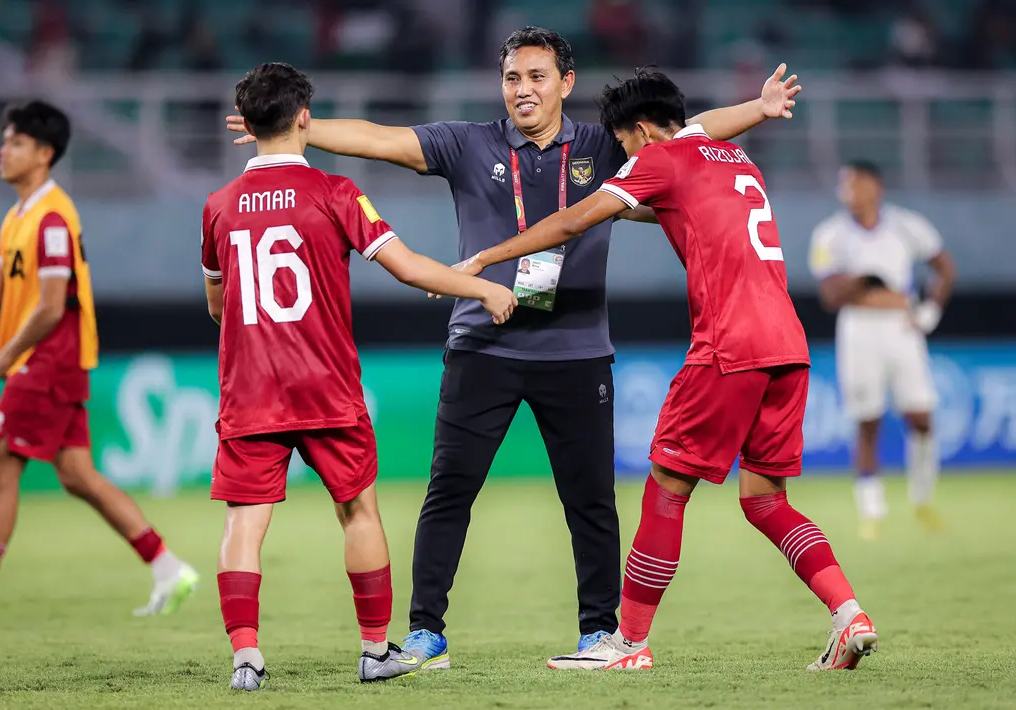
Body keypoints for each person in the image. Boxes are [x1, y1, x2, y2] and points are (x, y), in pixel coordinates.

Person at [225, 27, 802, 667]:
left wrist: (759, 107)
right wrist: (287, 132)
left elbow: (686, 133)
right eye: (512, 79)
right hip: (483, 346)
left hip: (577, 349)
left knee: (590, 501)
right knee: (449, 492)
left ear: (566, 83)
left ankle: (597, 631)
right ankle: (426, 633)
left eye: (536, 77)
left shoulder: (602, 145)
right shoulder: (467, 143)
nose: (522, 90)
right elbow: (378, 139)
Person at [456, 69, 877, 672]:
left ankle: (626, 644)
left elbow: (576, 220)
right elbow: (684, 202)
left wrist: (488, 258)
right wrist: (757, 109)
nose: (624, 158)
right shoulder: (734, 160)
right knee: (763, 499)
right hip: (787, 343)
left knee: (666, 488)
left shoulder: (660, 158)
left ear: (644, 130)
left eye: (625, 145)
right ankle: (849, 615)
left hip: (729, 345)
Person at [203, 62, 516, 690]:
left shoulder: (218, 207)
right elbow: (407, 268)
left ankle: (246, 658)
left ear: (250, 126)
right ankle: (375, 651)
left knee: (244, 522)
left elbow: (219, 305)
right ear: (303, 120)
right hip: (326, 385)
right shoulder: (336, 192)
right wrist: (480, 287)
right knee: (359, 512)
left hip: (252, 388)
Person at [0, 101, 198, 622]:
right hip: (49, 361)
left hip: (49, 359)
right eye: (5, 140)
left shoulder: (54, 216)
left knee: (0, 463)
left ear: (43, 153)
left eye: (14, 141)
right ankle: (168, 567)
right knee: (78, 474)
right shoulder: (19, 216)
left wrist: (9, 354)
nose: (3, 149)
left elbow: (52, 304)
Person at [809, 160, 957, 540]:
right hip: (858, 328)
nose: (848, 193)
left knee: (922, 416)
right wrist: (862, 281)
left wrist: (930, 311)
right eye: (844, 185)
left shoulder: (906, 225)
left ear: (875, 186)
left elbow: (944, 268)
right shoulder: (831, 235)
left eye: (855, 183)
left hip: (901, 328)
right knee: (867, 421)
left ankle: (922, 498)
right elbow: (828, 294)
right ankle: (871, 511)